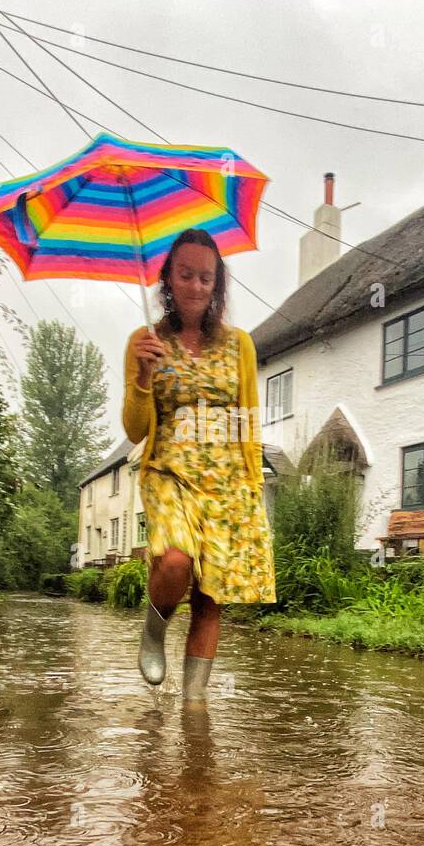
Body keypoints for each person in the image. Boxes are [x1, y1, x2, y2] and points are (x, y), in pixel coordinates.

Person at [121, 228, 276, 707]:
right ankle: (154, 627)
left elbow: (248, 418)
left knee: (212, 598)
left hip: (227, 481)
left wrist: (251, 485)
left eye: (205, 277)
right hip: (169, 472)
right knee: (175, 560)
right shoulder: (143, 341)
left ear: (217, 284)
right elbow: (134, 430)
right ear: (168, 277)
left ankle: (194, 709)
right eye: (185, 273)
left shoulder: (240, 345)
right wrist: (144, 378)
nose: (194, 285)